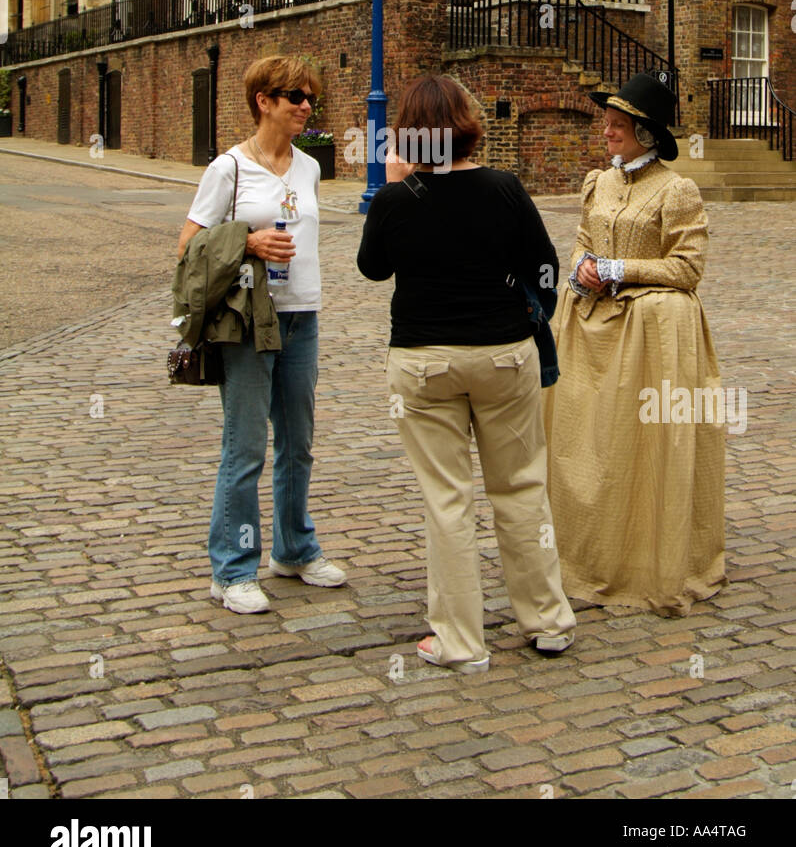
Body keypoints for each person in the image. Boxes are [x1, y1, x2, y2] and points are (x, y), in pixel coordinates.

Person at [357, 74, 575, 673]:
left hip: (425, 360)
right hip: (504, 354)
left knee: (447, 501)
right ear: (467, 125)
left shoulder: (400, 199)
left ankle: (459, 641)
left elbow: (372, 268)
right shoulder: (504, 188)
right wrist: (528, 313)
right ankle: (548, 621)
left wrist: (395, 189)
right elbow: (546, 267)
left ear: (409, 135)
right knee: (523, 488)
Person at [544, 72, 726, 616]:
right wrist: (581, 270)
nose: (607, 132)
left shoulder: (677, 189)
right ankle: (586, 553)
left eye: (618, 126)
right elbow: (581, 239)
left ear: (645, 134)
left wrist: (620, 269)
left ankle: (647, 557)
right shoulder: (597, 183)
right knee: (586, 440)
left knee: (636, 446)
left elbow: (688, 267)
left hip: (649, 337)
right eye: (607, 123)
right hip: (589, 328)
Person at [177, 54, 346, 614]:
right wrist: (248, 243)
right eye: (295, 97)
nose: (305, 107)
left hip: (303, 314)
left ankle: (295, 549)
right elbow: (188, 247)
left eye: (309, 98)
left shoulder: (309, 167)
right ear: (263, 102)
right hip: (249, 321)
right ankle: (231, 569)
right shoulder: (227, 169)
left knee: (297, 442)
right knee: (245, 445)